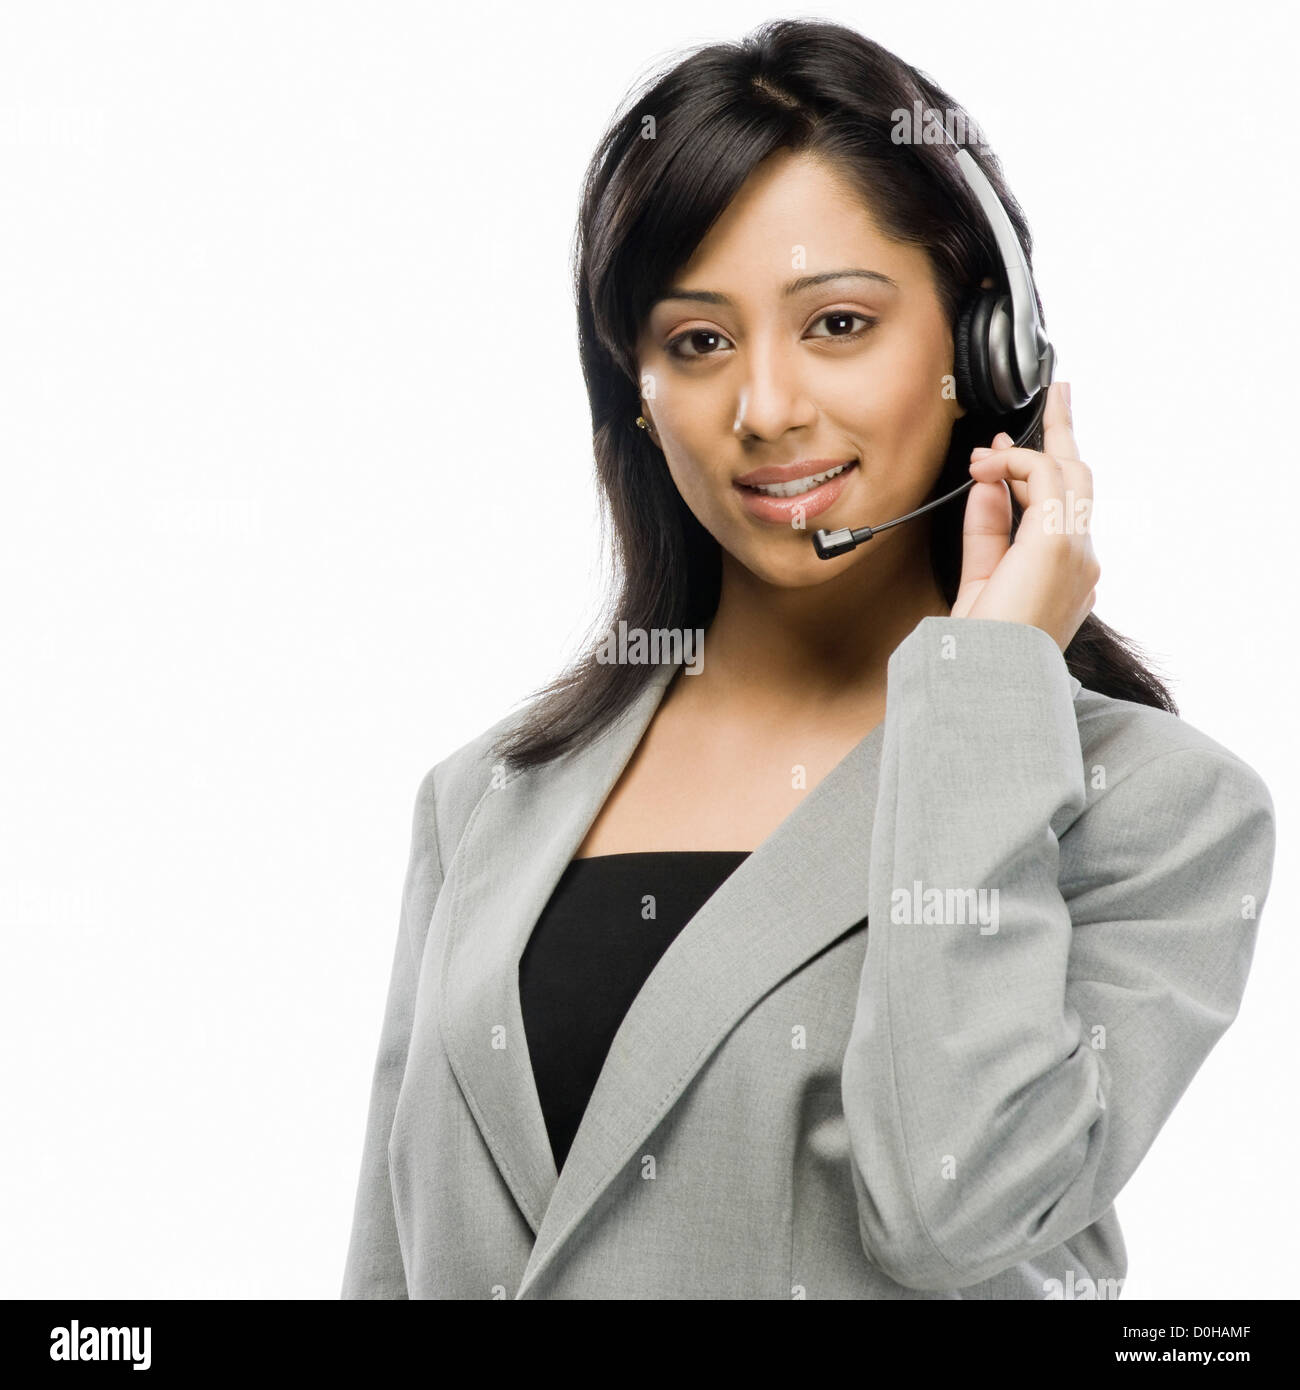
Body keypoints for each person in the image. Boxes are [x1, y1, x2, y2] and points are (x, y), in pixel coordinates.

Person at [341, 18, 1276, 1300]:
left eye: (837, 323)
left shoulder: (1160, 810)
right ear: (636, 387)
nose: (766, 407)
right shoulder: (486, 799)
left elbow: (956, 1211)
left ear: (984, 347)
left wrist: (987, 697)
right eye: (698, 341)